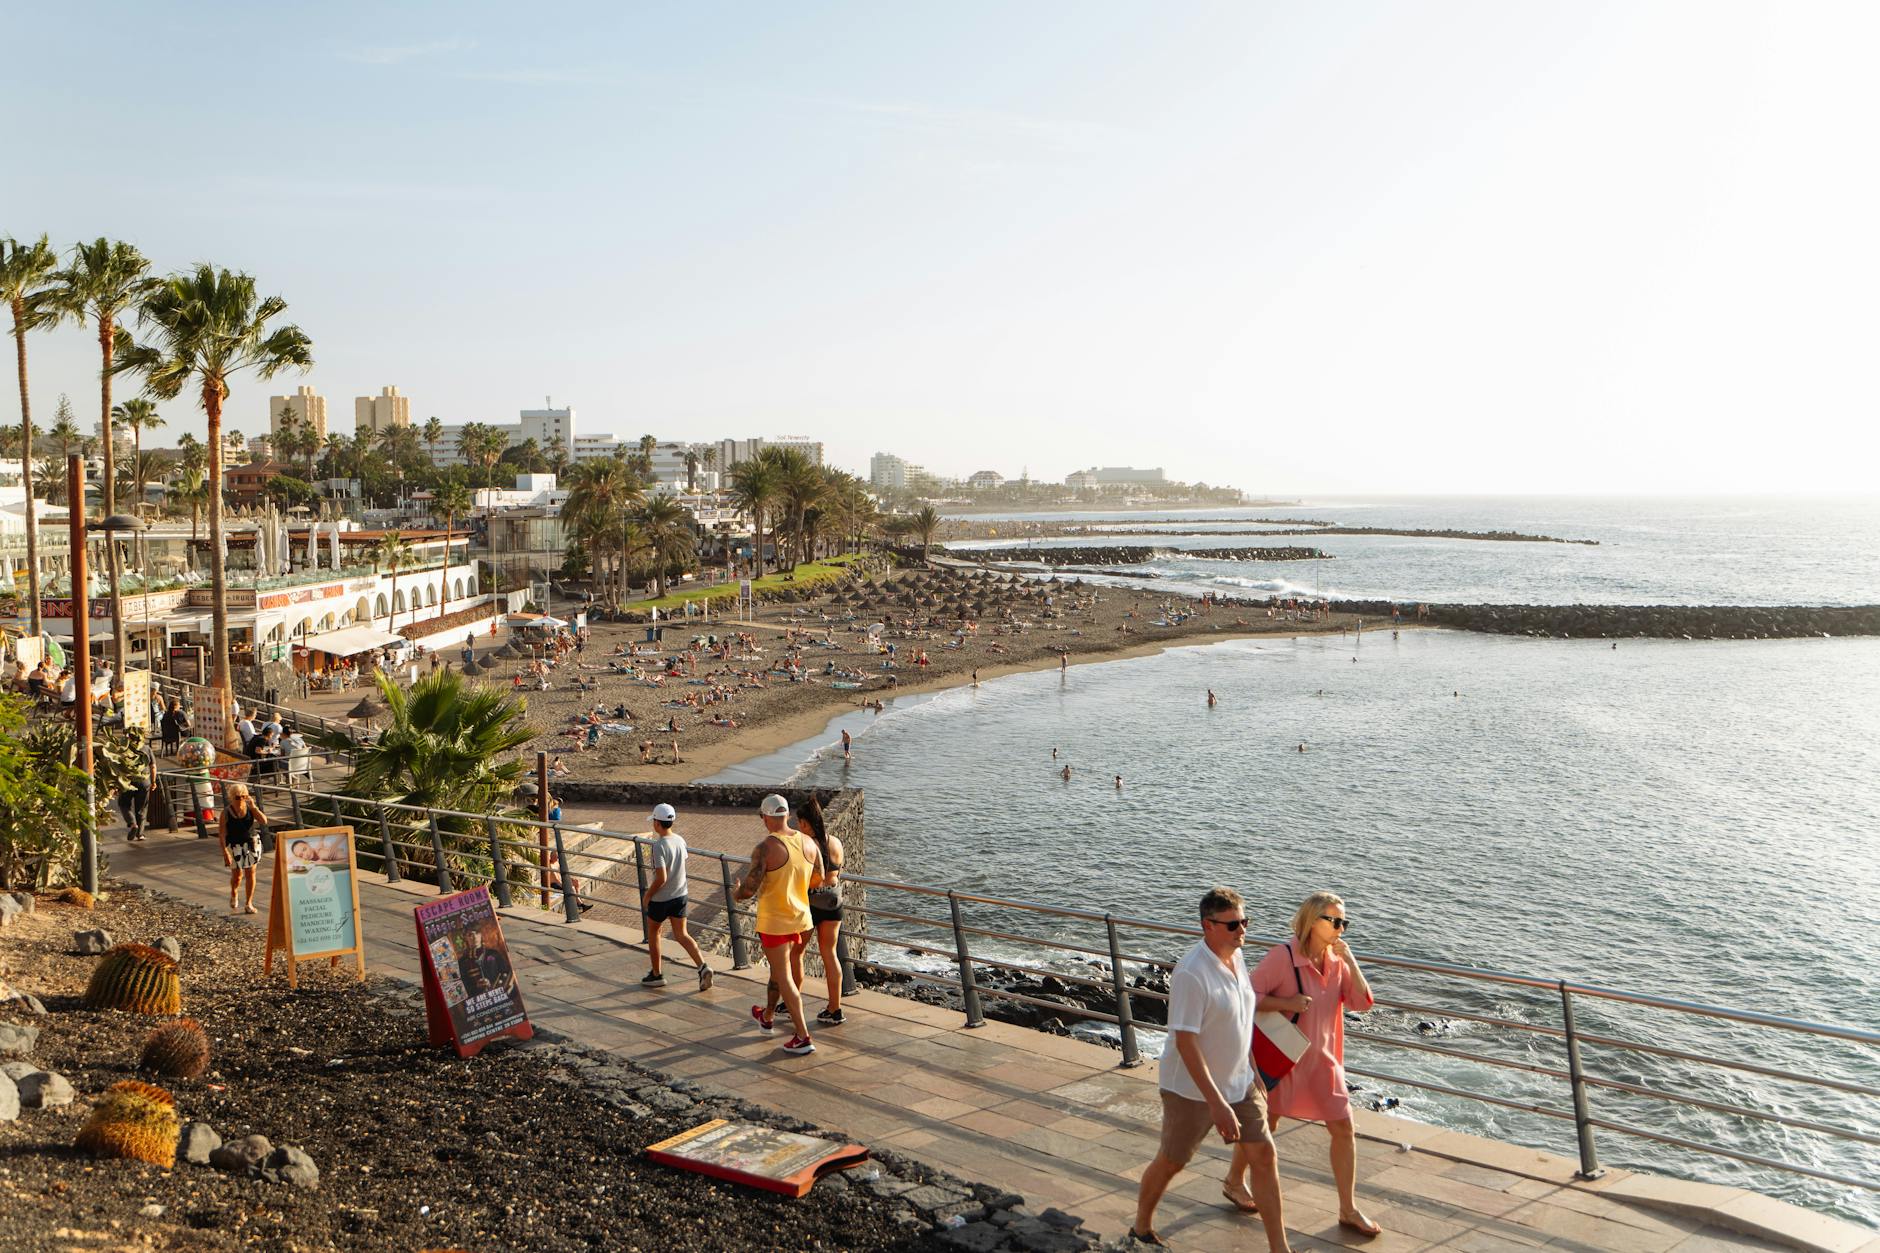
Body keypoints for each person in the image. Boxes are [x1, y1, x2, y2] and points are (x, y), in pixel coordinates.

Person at [1133, 887, 1288, 1251]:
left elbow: (1242, 1017)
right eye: (1233, 924)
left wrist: (1253, 1068)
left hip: (1241, 1083)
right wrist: (1216, 1103)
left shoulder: (1237, 959)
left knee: (1264, 1156)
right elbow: (1186, 1042)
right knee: (1172, 1161)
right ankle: (1140, 1227)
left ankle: (1280, 1248)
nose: (1242, 930)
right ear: (1208, 925)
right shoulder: (1191, 973)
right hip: (1191, 1090)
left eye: (1245, 922)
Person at [1247, 891, 1379, 1237]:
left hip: (1325, 1063)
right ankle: (1233, 1182)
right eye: (1333, 921)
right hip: (1285, 1059)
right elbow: (1247, 997)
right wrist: (1285, 1001)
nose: (1340, 928)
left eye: (1344, 922)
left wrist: (1350, 961)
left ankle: (1348, 1209)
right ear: (1311, 920)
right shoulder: (1283, 956)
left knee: (1343, 1128)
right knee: (1267, 1124)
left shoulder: (1336, 962)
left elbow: (1363, 1003)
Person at [734, 793, 823, 1056]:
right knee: (781, 970)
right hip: (803, 919)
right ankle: (768, 1015)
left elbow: (749, 890)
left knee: (783, 976)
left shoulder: (765, 848)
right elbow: (818, 878)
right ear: (787, 815)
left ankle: (803, 1036)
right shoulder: (808, 842)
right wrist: (794, 888)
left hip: (776, 921)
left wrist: (735, 892)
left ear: (766, 817)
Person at [640, 803, 712, 990]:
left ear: (657, 823)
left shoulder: (658, 846)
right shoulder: (680, 840)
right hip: (680, 894)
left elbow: (661, 876)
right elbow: (682, 862)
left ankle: (656, 974)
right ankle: (702, 967)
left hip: (661, 898)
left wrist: (648, 895)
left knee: (654, 933)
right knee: (682, 934)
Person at [799, 795, 846, 1026]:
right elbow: (837, 873)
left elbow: (805, 878)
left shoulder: (807, 845)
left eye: (800, 823)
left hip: (811, 902)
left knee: (796, 954)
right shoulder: (835, 842)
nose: (798, 828)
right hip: (833, 901)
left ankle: (790, 1003)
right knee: (830, 954)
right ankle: (835, 1008)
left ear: (806, 823)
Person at [218, 783, 269, 915]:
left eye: (243, 796)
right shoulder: (226, 813)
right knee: (237, 876)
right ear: (231, 797)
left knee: (251, 873)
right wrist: (225, 852)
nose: (240, 799)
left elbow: (264, 821)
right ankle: (234, 892)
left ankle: (248, 903)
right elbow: (222, 833)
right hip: (234, 846)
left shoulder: (250, 808)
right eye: (237, 797)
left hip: (251, 843)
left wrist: (254, 807)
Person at [117, 738, 155, 841]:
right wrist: (153, 781)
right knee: (142, 808)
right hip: (144, 781)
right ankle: (140, 834)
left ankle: (133, 823)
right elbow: (153, 766)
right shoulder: (147, 748)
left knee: (123, 803)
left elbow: (118, 765)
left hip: (128, 781)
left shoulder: (125, 749)